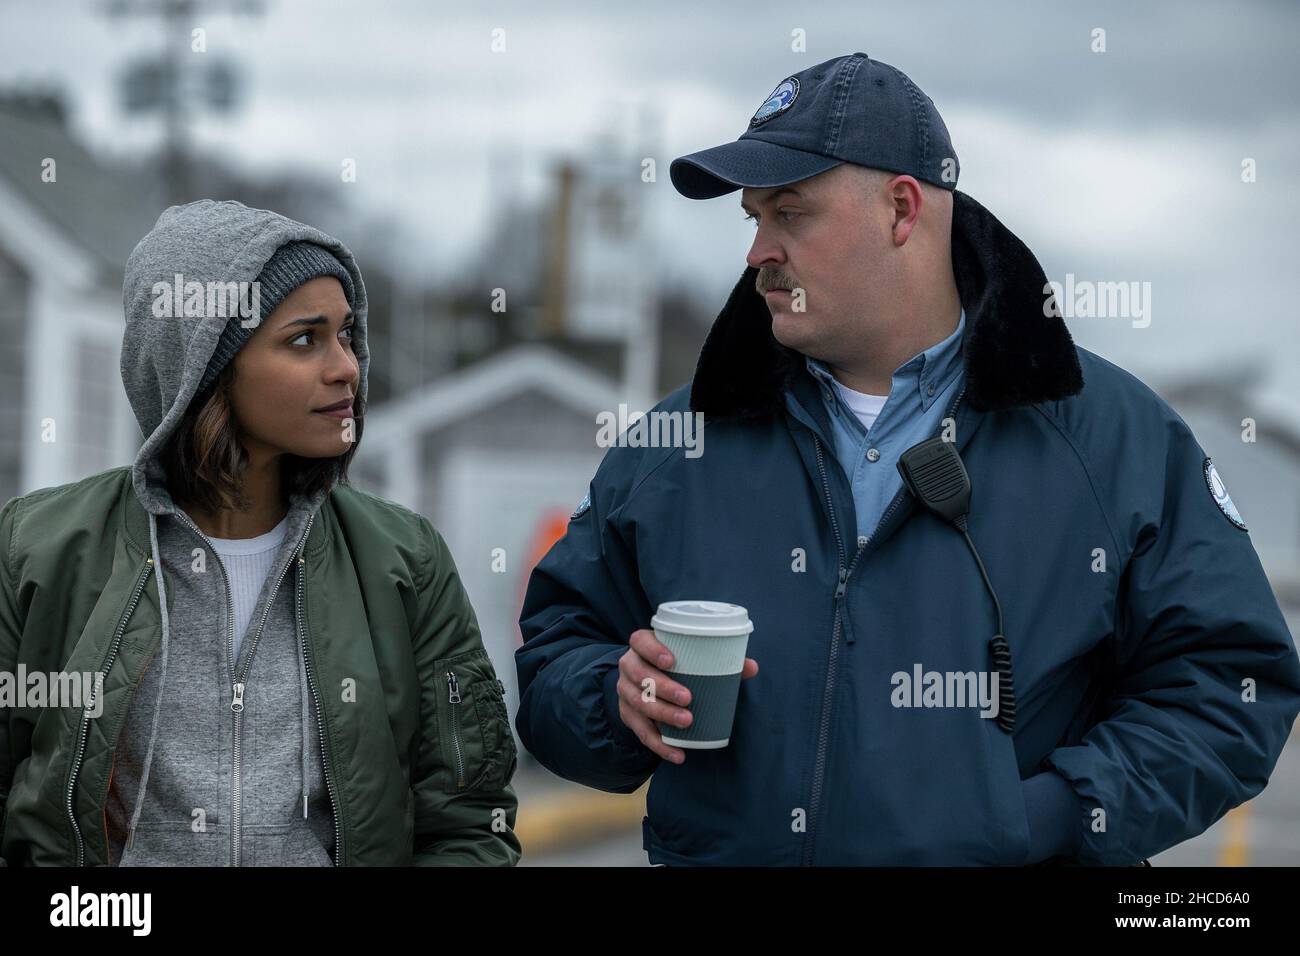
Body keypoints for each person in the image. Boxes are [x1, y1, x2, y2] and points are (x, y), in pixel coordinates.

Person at [514, 52, 1300, 865]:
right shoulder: (674, 447)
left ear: (901, 210)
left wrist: (1052, 817)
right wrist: (614, 698)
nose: (758, 252)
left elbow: (1232, 688)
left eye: (791, 213)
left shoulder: (1112, 441)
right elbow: (553, 657)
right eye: (753, 220)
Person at [0, 200, 520, 866]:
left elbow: (471, 822)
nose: (348, 367)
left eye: (347, 333)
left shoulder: (404, 562)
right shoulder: (39, 550)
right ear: (205, 365)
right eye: (305, 339)